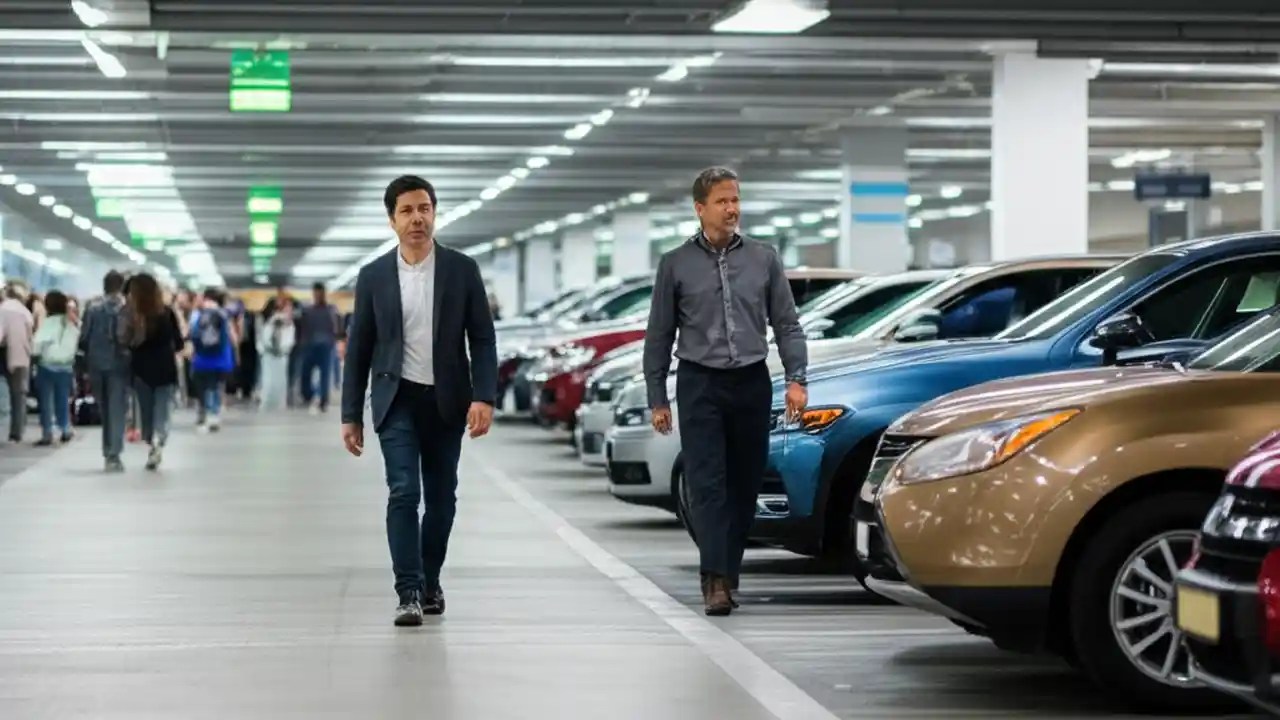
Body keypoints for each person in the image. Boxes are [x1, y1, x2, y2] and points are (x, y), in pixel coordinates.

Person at [643, 166, 809, 616]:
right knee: (708, 484)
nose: (731, 208)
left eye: (735, 199)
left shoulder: (763, 258)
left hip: (751, 382)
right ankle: (714, 579)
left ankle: (727, 572)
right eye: (722, 201)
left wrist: (797, 379)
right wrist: (657, 397)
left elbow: (787, 323)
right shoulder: (676, 264)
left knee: (743, 485)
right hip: (700, 384)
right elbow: (659, 333)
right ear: (700, 209)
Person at [341, 174, 498, 627]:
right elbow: (360, 349)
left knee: (443, 498)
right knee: (404, 491)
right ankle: (408, 590)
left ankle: (430, 579)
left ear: (434, 213)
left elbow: (483, 340)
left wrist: (484, 396)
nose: (417, 218)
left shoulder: (461, 269)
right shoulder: (373, 277)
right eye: (407, 211)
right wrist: (351, 414)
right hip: (396, 400)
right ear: (392, 220)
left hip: (447, 400)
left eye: (424, 208)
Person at [120, 273, 184, 470]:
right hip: (165, 367)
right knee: (162, 409)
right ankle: (158, 439)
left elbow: (124, 340)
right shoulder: (166, 313)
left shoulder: (130, 314)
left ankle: (151, 438)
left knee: (146, 410)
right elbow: (179, 342)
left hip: (141, 369)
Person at [79, 270, 132, 471]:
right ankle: (113, 454)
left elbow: (84, 337)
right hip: (120, 365)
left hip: (96, 364)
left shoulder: (92, 308)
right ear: (121, 286)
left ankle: (108, 449)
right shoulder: (126, 309)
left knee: (105, 409)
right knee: (117, 410)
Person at [31, 290, 79, 446]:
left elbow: (36, 345)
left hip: (47, 366)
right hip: (66, 367)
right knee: (62, 399)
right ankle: (65, 429)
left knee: (46, 402)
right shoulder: (71, 322)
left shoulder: (48, 323)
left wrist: (35, 355)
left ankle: (48, 433)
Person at [190, 288, 237, 432]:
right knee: (216, 386)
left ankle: (203, 414)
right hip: (220, 358)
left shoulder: (198, 314)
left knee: (203, 388)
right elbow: (232, 337)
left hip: (202, 358)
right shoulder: (224, 314)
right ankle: (214, 414)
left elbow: (193, 334)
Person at [0, 282, 35, 443]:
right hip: (21, 356)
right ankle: (17, 432)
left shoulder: (3, 309)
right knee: (19, 395)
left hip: (3, 353)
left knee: (3, 394)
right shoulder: (25, 312)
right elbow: (30, 333)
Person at [299, 282, 341, 414]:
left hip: (325, 346)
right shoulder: (307, 310)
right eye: (316, 293)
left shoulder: (331, 309)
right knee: (305, 374)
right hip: (309, 345)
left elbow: (336, 327)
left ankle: (323, 400)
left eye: (320, 293)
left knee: (325, 375)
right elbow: (302, 328)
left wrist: (335, 339)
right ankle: (308, 395)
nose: (318, 295)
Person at [257, 296, 296, 411]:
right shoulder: (268, 321)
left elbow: (289, 338)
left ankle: (277, 402)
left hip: (277, 354)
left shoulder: (286, 322)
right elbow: (263, 337)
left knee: (275, 380)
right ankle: (270, 402)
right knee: (270, 380)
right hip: (271, 354)